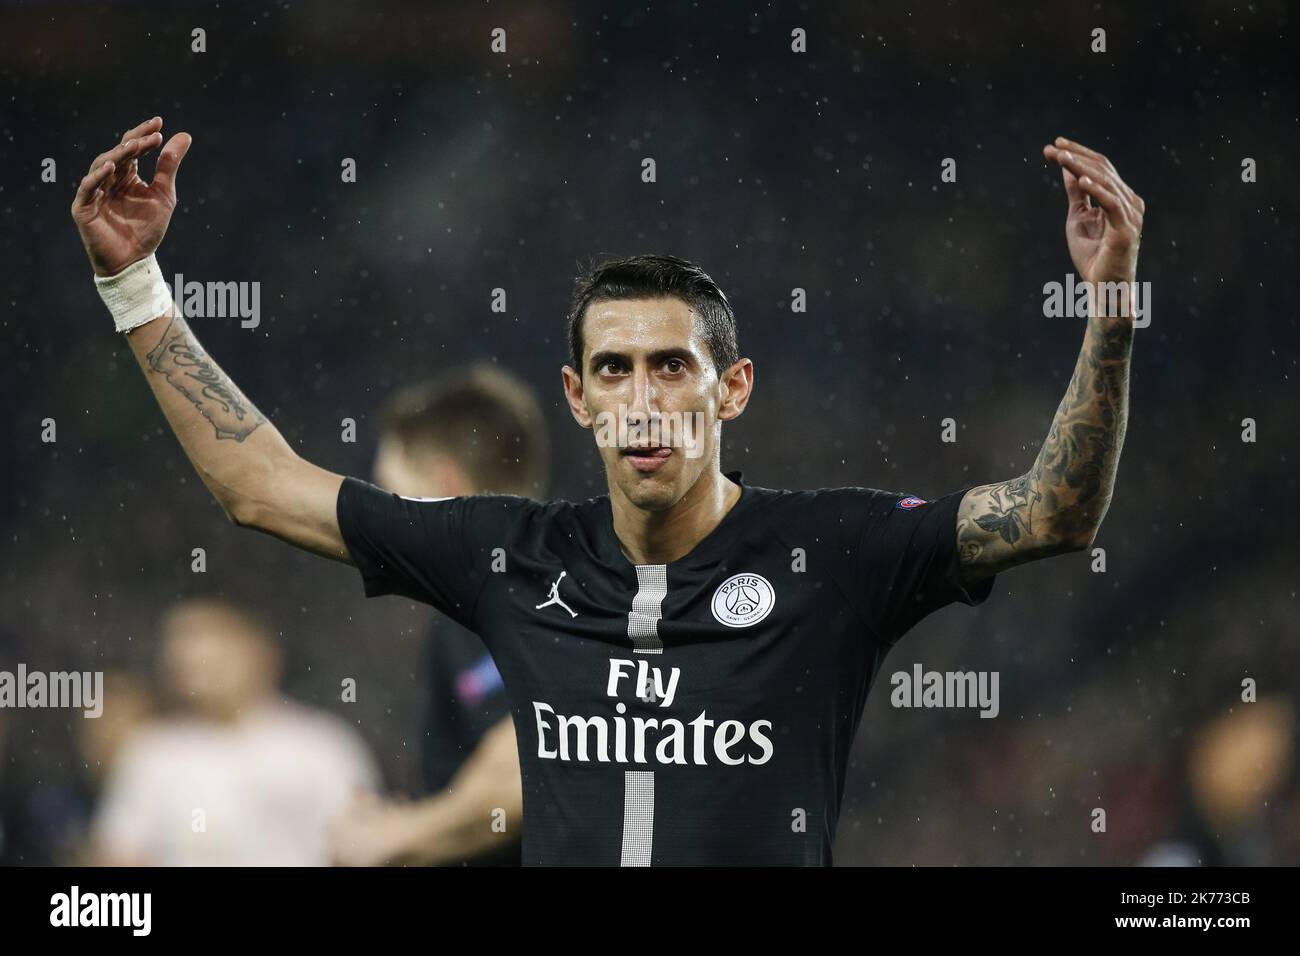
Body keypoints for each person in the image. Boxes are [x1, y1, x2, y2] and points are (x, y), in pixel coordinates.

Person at [71, 117, 1144, 865]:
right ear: (578, 399)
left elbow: (1055, 509)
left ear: (732, 388)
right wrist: (134, 283)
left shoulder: (835, 550)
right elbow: (261, 485)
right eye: (616, 371)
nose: (642, 398)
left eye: (671, 366)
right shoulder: (512, 554)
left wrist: (1110, 305)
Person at [329, 366, 548, 866]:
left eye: (390, 496)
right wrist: (423, 816)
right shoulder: (566, 574)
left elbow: (527, 770)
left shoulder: (497, 594)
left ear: (442, 486)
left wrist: (396, 836)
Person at [92, 598, 378, 866]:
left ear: (257, 649)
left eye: (207, 636)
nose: (191, 654)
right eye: (180, 640)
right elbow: (120, 852)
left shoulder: (321, 745)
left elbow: (366, 847)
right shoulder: (151, 752)